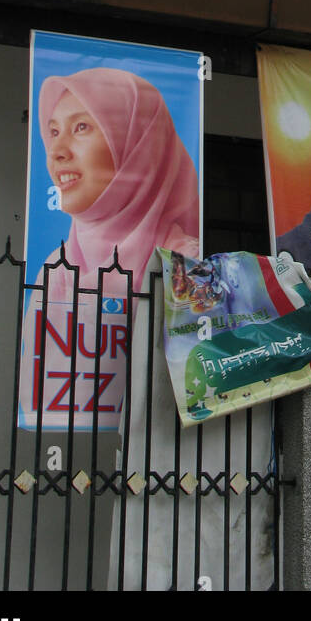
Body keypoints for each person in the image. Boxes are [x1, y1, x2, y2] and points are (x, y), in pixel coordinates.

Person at [19, 67, 200, 430]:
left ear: (137, 142)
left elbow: (195, 383)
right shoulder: (58, 266)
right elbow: (35, 393)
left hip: (158, 455)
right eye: (53, 131)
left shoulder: (183, 258)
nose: (57, 151)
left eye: (81, 127)